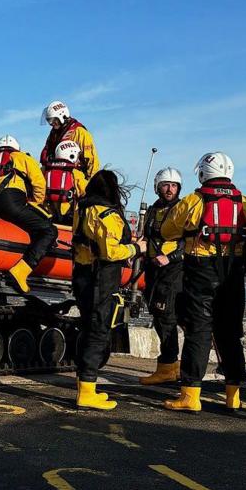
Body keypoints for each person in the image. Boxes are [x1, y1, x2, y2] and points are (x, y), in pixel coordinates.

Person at [160, 152, 246, 412]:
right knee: (230, 333)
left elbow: (167, 230)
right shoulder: (245, 202)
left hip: (200, 271)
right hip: (234, 273)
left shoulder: (193, 200)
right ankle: (233, 396)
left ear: (203, 173)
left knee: (198, 332)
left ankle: (190, 396)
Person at [72, 170, 147, 409]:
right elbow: (111, 252)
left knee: (87, 327)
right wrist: (136, 248)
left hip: (82, 275)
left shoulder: (82, 210)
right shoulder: (108, 215)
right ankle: (87, 391)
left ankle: (85, 385)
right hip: (100, 279)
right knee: (98, 330)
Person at [0, 134, 57, 293]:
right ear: (16, 148)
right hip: (9, 201)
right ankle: (21, 271)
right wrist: (34, 204)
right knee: (49, 231)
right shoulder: (22, 158)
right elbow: (39, 184)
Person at [139, 167, 185, 385]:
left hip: (173, 271)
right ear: (158, 187)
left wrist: (172, 257)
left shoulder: (182, 209)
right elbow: (149, 236)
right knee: (158, 316)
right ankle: (171, 366)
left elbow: (189, 241)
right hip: (153, 269)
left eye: (174, 185)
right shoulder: (153, 210)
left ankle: (168, 365)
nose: (170, 189)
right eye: (166, 185)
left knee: (165, 316)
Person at [39, 101, 100, 220]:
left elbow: (92, 161)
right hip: (54, 177)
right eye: (50, 121)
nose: (52, 124)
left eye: (53, 120)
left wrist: (90, 185)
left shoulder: (79, 133)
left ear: (62, 116)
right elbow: (46, 152)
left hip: (73, 179)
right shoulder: (55, 133)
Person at [41, 140, 83, 224]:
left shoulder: (44, 170)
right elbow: (84, 192)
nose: (79, 160)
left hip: (46, 213)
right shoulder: (75, 173)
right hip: (67, 215)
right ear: (72, 155)